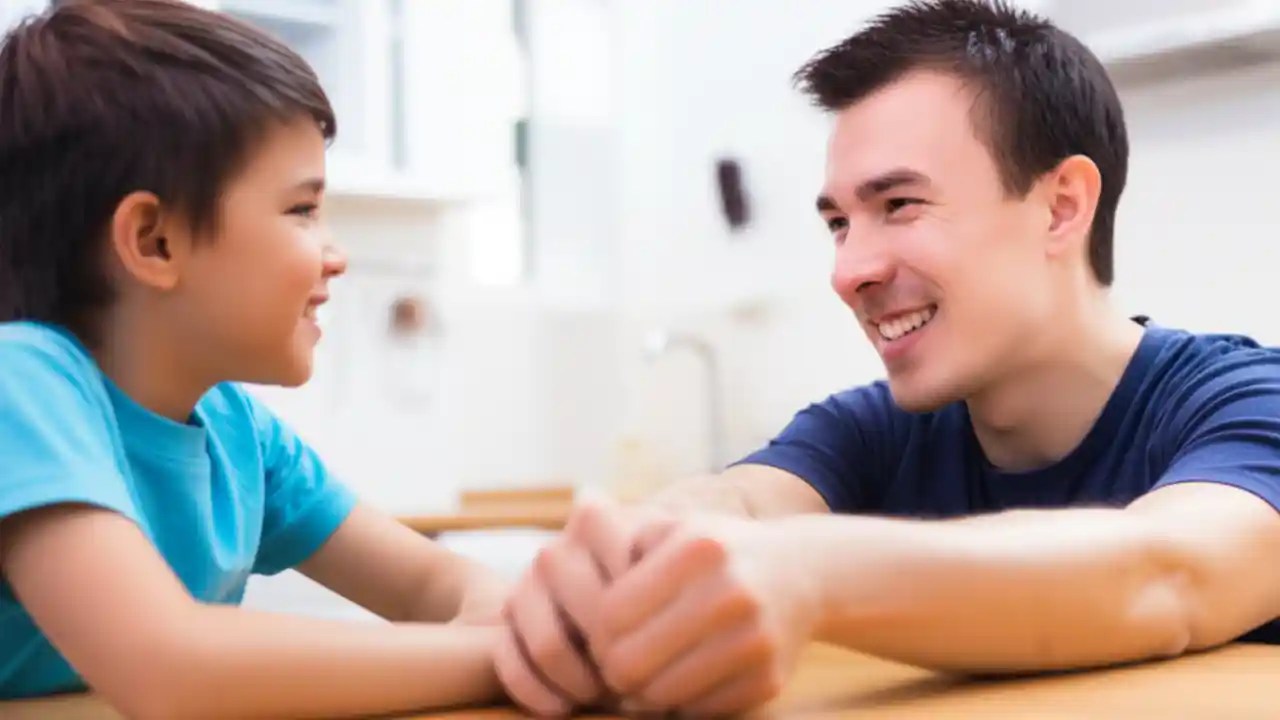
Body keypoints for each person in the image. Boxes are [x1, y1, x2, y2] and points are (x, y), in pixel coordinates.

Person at [497, 0, 1280, 716]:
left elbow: (1168, 576)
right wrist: (643, 555)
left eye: (898, 205)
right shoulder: (868, 432)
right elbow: (736, 504)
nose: (848, 272)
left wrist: (808, 573)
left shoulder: (1248, 403)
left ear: (1061, 206)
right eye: (839, 223)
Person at [0, 1, 511, 717]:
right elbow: (171, 669)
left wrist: (531, 623)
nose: (336, 254)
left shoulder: (239, 434)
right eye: (303, 211)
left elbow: (434, 585)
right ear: (154, 243)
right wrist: (507, 656)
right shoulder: (19, 384)